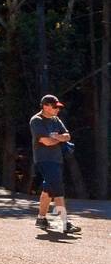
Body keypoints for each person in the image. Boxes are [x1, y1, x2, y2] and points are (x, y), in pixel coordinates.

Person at [30, 95, 82, 233]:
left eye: (58, 107)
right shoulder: (36, 120)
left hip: (57, 159)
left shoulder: (55, 119)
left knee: (49, 189)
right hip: (44, 160)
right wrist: (60, 139)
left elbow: (68, 136)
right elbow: (46, 142)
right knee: (58, 189)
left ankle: (41, 219)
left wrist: (55, 137)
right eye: (54, 107)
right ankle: (65, 223)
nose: (57, 109)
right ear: (45, 106)